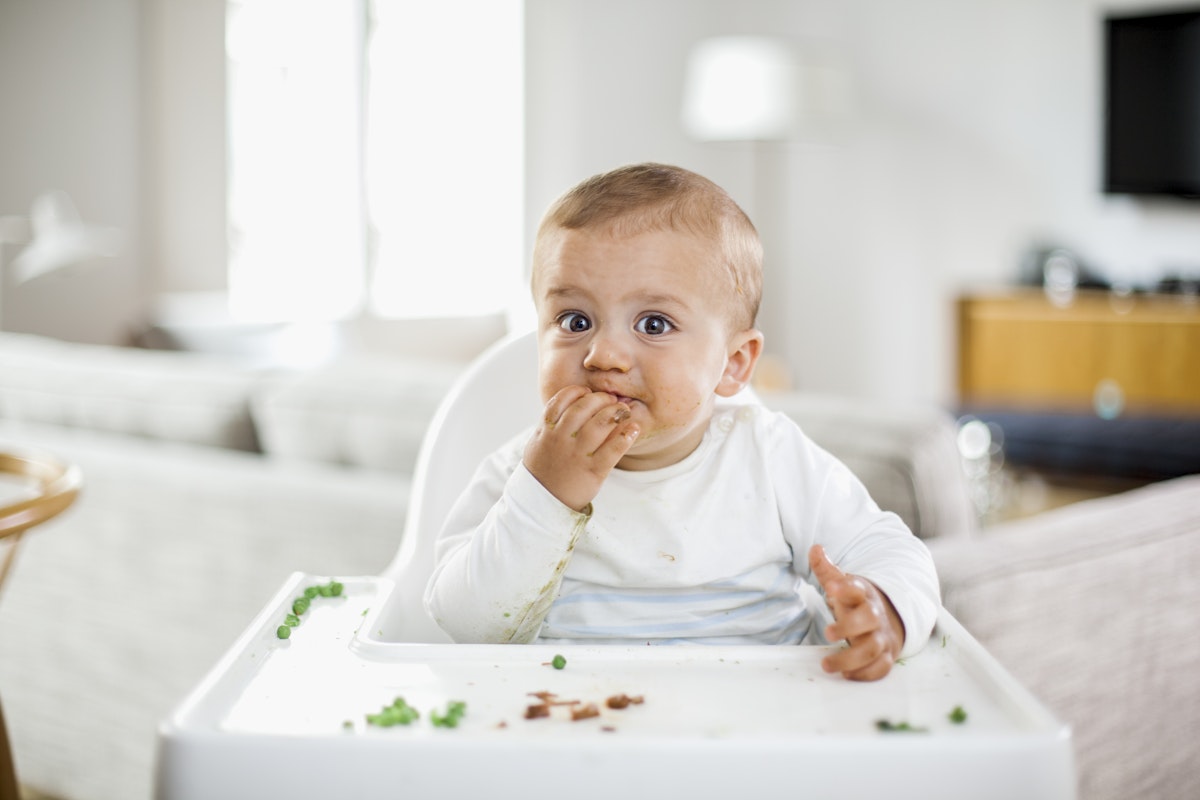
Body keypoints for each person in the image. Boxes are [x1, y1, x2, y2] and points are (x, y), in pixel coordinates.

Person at [424, 162, 940, 681]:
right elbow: (464, 623)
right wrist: (545, 498)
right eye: (574, 321)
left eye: (654, 324)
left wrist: (887, 609)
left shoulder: (770, 456)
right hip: (574, 719)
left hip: (764, 714)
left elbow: (887, 548)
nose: (604, 354)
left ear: (733, 363)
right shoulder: (522, 472)